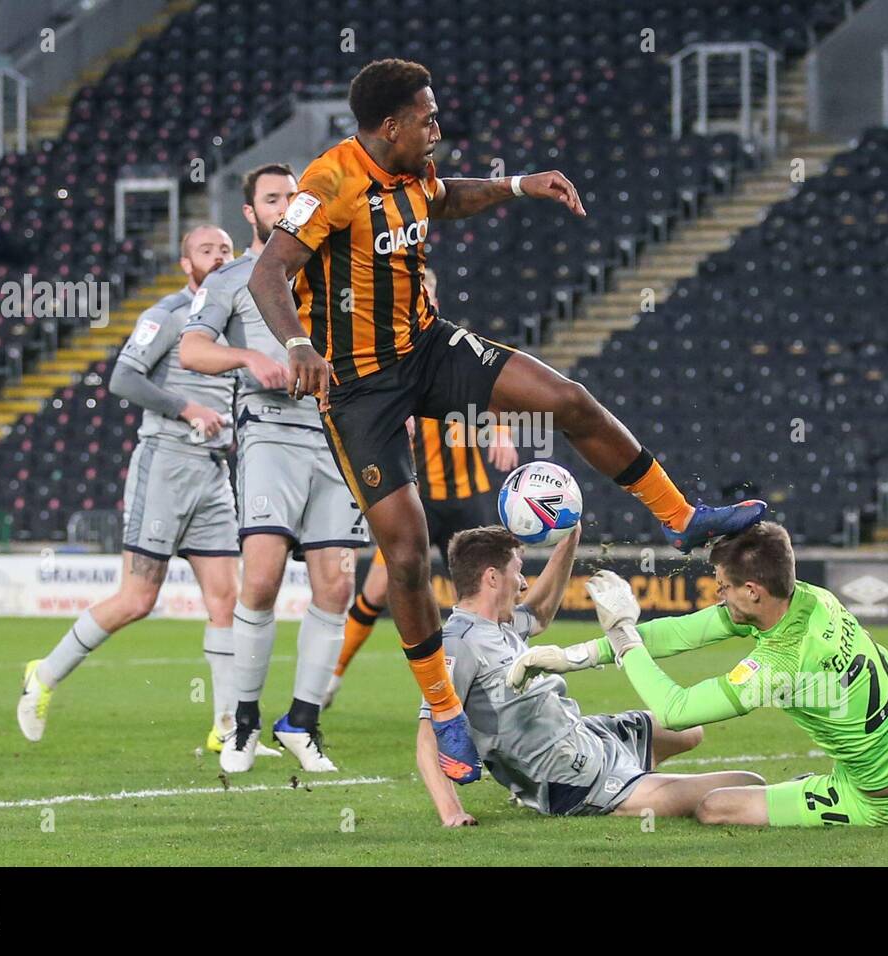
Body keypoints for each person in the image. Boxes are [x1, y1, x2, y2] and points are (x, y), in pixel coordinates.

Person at [246, 58, 765, 783]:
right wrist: (299, 344)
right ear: (389, 126)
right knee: (404, 553)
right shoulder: (329, 182)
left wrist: (521, 184)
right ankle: (447, 714)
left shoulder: (414, 172)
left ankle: (681, 517)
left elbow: (445, 200)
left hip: (426, 348)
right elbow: (267, 273)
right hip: (359, 386)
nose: (438, 128)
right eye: (426, 118)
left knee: (570, 399)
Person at [508, 522, 888, 828]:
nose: (718, 595)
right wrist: (571, 656)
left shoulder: (782, 666)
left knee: (716, 807)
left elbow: (675, 709)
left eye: (723, 586)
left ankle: (826, 796)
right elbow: (678, 634)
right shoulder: (811, 600)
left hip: (882, 798)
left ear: (752, 591)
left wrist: (624, 634)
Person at [17, 224, 267, 755]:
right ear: (186, 263)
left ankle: (227, 726)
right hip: (166, 465)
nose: (219, 256)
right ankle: (44, 674)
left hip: (213, 474)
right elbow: (123, 379)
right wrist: (187, 408)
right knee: (136, 599)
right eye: (207, 250)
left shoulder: (236, 321)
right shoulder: (167, 315)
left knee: (227, 601)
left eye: (226, 249)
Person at [180, 164, 368, 773]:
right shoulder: (233, 278)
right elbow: (191, 349)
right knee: (260, 579)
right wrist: (246, 358)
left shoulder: (337, 270)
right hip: (269, 435)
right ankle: (243, 722)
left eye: (293, 196)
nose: (286, 204)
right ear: (251, 213)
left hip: (336, 436)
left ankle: (302, 723)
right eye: (273, 198)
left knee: (336, 586)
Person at [416, 524, 764, 825]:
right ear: (492, 577)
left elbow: (538, 613)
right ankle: (633, 791)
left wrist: (570, 539)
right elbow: (430, 735)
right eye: (517, 570)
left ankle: (642, 777)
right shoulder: (458, 645)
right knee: (747, 785)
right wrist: (451, 813)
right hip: (574, 778)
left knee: (690, 730)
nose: (522, 583)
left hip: (586, 735)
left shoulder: (501, 625)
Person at [327, 268, 520, 708]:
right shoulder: (378, 351)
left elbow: (495, 388)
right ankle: (329, 678)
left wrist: (502, 429)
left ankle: (500, 683)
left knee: (490, 591)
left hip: (467, 496)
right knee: (378, 590)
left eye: (424, 290)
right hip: (414, 492)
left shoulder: (451, 345)